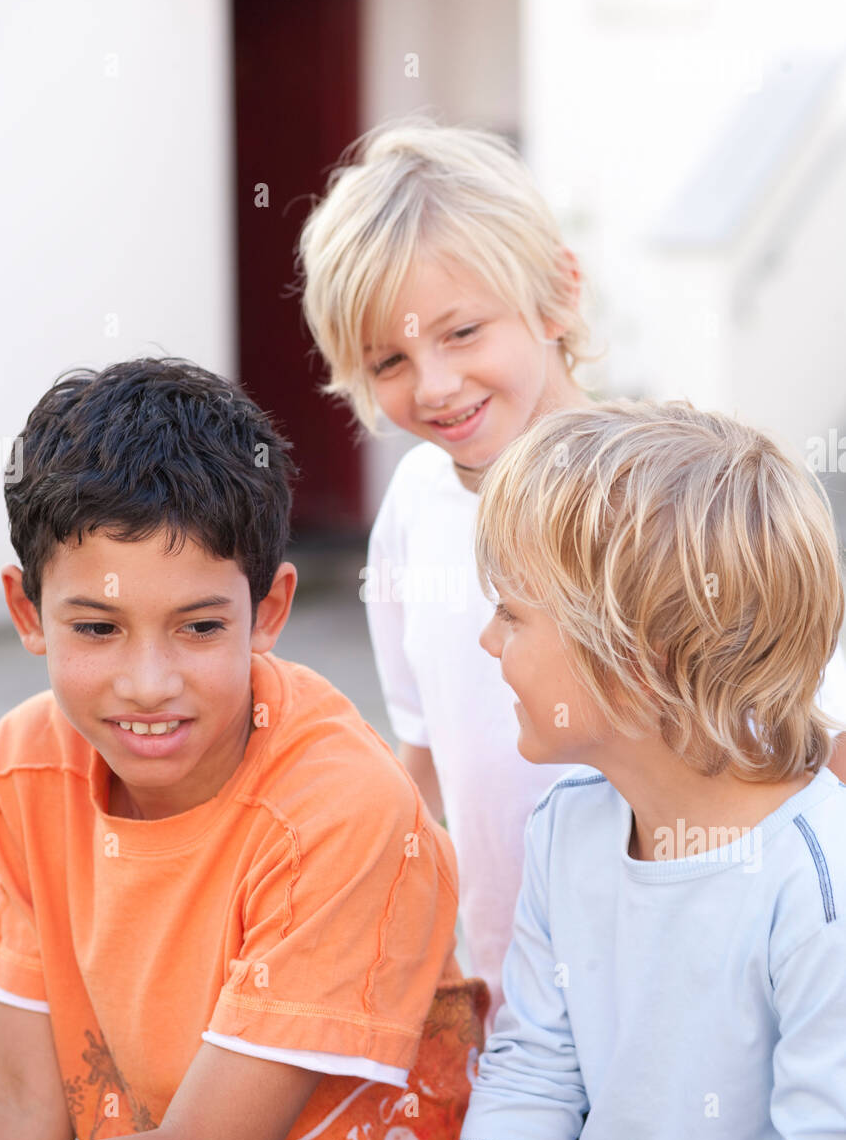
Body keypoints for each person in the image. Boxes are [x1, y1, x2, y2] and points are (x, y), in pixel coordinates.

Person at [297, 116, 846, 1033]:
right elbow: (424, 769)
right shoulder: (412, 517)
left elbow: (815, 737)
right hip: (523, 1018)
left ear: (556, 298)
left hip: (711, 1009)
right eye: (389, 360)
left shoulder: (671, 500)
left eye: (463, 331)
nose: (432, 385)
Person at [0, 357, 486, 1140]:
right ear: (28, 614)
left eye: (201, 626)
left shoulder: (339, 809)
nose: (147, 683)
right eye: (97, 628)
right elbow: (23, 1100)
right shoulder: (30, 763)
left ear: (270, 608)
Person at [443, 398, 846, 1140]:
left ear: (634, 660)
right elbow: (534, 1080)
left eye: (513, 613)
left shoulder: (813, 883)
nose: (488, 641)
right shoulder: (565, 828)